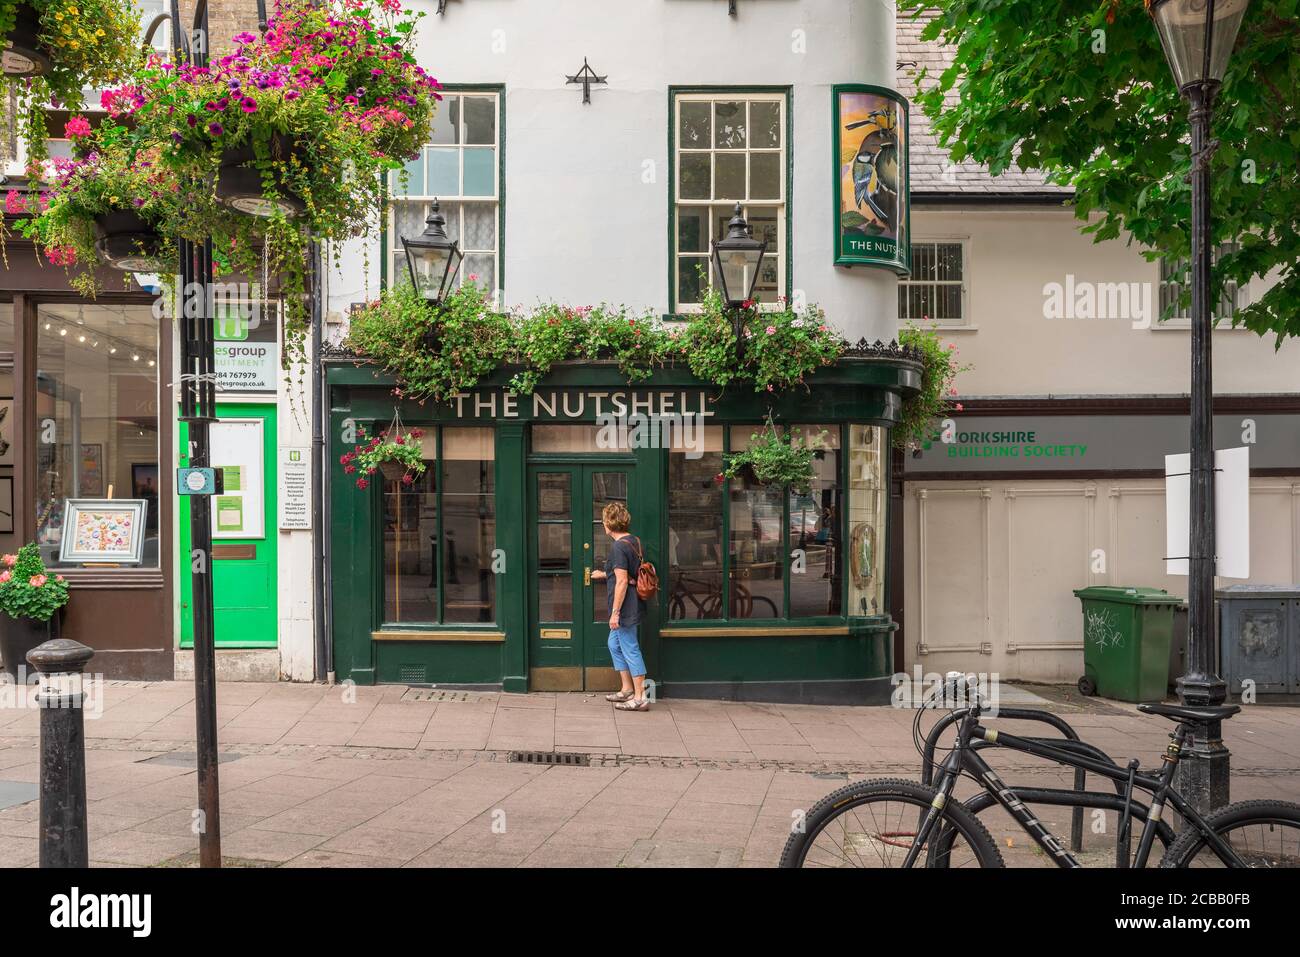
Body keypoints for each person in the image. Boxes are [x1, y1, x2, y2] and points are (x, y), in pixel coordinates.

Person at [590, 502, 649, 712]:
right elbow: (627, 573)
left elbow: (623, 581)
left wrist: (615, 613)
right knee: (614, 645)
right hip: (633, 601)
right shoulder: (634, 541)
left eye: (604, 520)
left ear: (609, 523)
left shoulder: (617, 547)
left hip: (625, 605)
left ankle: (641, 697)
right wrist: (604, 574)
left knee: (630, 648)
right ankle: (626, 689)